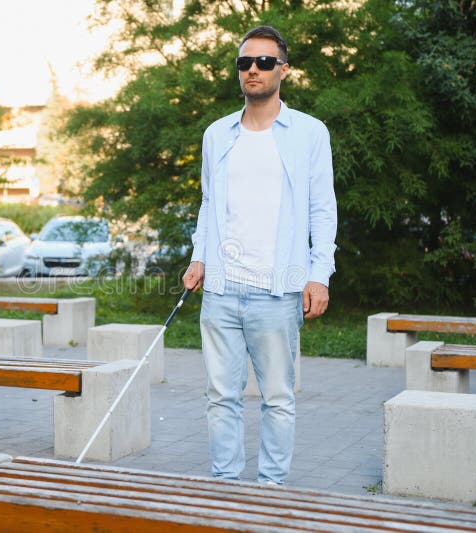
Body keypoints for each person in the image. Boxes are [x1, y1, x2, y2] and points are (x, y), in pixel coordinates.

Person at [182, 25, 337, 485]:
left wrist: (319, 274)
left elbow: (322, 209)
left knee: (278, 399)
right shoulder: (217, 134)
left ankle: (270, 491)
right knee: (220, 397)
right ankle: (227, 488)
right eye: (245, 63)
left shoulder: (309, 133)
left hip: (278, 290)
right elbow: (210, 205)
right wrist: (198, 258)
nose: (254, 69)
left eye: (265, 62)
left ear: (283, 70)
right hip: (223, 290)